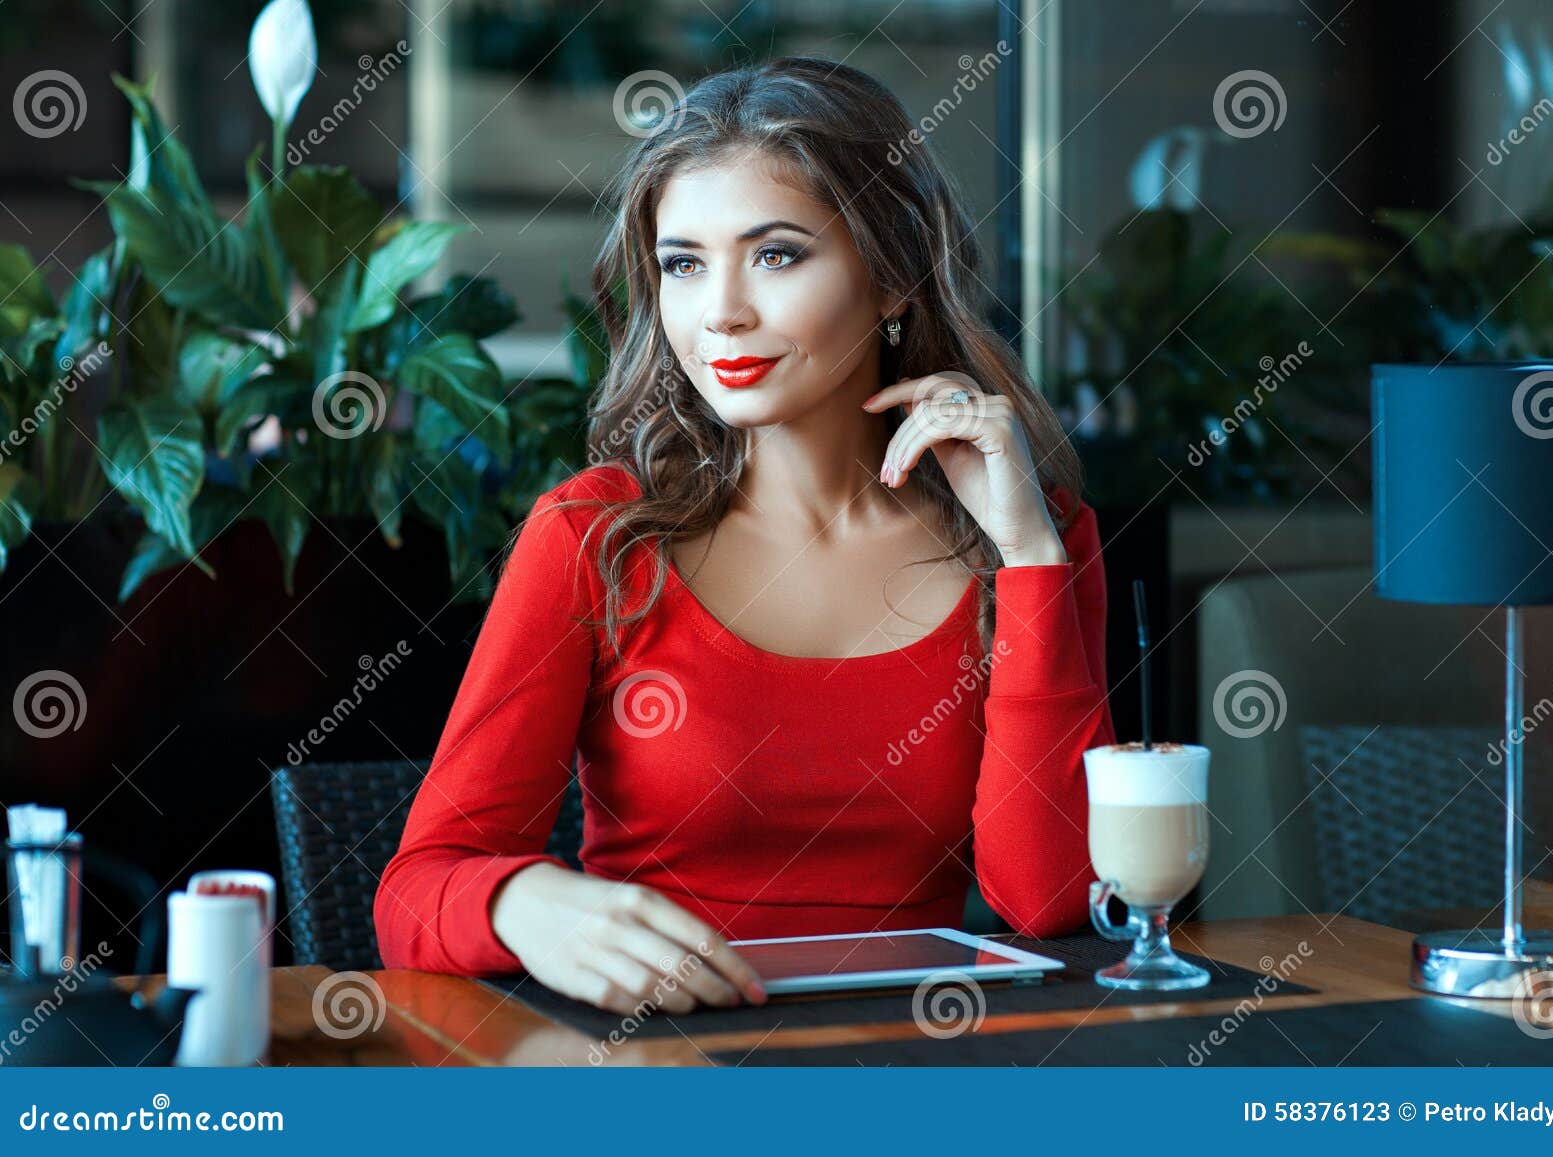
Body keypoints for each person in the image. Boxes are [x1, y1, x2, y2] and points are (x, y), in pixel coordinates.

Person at [374, 56, 1116, 1017]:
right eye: (683, 263)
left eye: (776, 254)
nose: (720, 310)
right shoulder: (597, 538)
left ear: (894, 276)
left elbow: (1048, 898)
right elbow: (415, 893)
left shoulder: (1035, 542)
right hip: (660, 1066)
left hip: (930, 1060)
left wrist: (1030, 560)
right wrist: (522, 900)